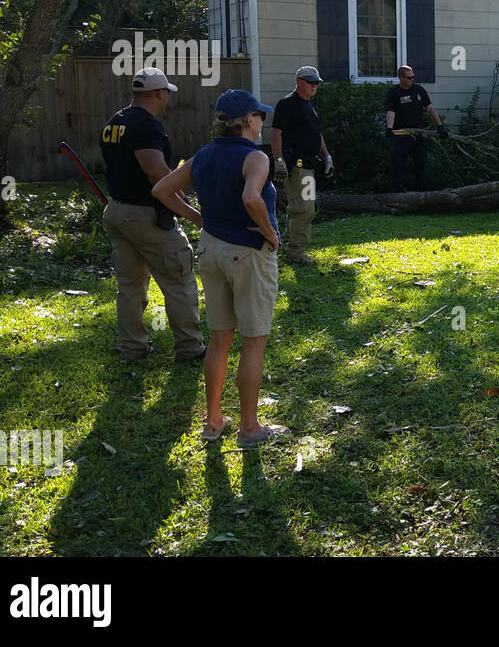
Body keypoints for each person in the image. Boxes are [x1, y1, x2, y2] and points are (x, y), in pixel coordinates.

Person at [152, 89, 288, 448]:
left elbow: (162, 190)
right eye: (259, 116)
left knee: (219, 337)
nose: (261, 121)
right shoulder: (255, 158)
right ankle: (249, 427)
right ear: (247, 121)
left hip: (211, 251)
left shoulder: (204, 156)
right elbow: (250, 198)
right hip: (248, 254)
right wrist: (270, 232)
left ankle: (213, 422)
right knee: (254, 341)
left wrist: (201, 219)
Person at [99, 67, 205, 363]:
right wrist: (190, 212)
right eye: (166, 94)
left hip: (117, 212)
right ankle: (189, 348)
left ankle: (132, 349)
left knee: (130, 287)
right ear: (159, 94)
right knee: (179, 278)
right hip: (146, 217)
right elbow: (155, 172)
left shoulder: (113, 123)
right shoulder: (147, 126)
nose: (166, 99)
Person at [270, 66, 332, 264]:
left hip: (308, 164)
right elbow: (276, 133)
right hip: (296, 164)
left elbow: (316, 134)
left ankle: (292, 245)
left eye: (316, 83)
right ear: (299, 82)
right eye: (310, 82)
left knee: (305, 206)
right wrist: (278, 160)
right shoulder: (287, 104)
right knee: (303, 208)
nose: (314, 86)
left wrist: (327, 156)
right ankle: (295, 251)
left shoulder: (309, 105)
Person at [385, 65, 448, 192]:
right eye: (409, 77)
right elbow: (391, 111)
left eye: (413, 77)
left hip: (419, 133)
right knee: (398, 165)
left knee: (421, 164)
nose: (412, 79)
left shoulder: (418, 90)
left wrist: (440, 126)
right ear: (400, 77)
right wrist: (389, 128)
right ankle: (396, 194)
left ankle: (423, 193)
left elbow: (430, 108)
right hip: (400, 134)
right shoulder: (394, 92)